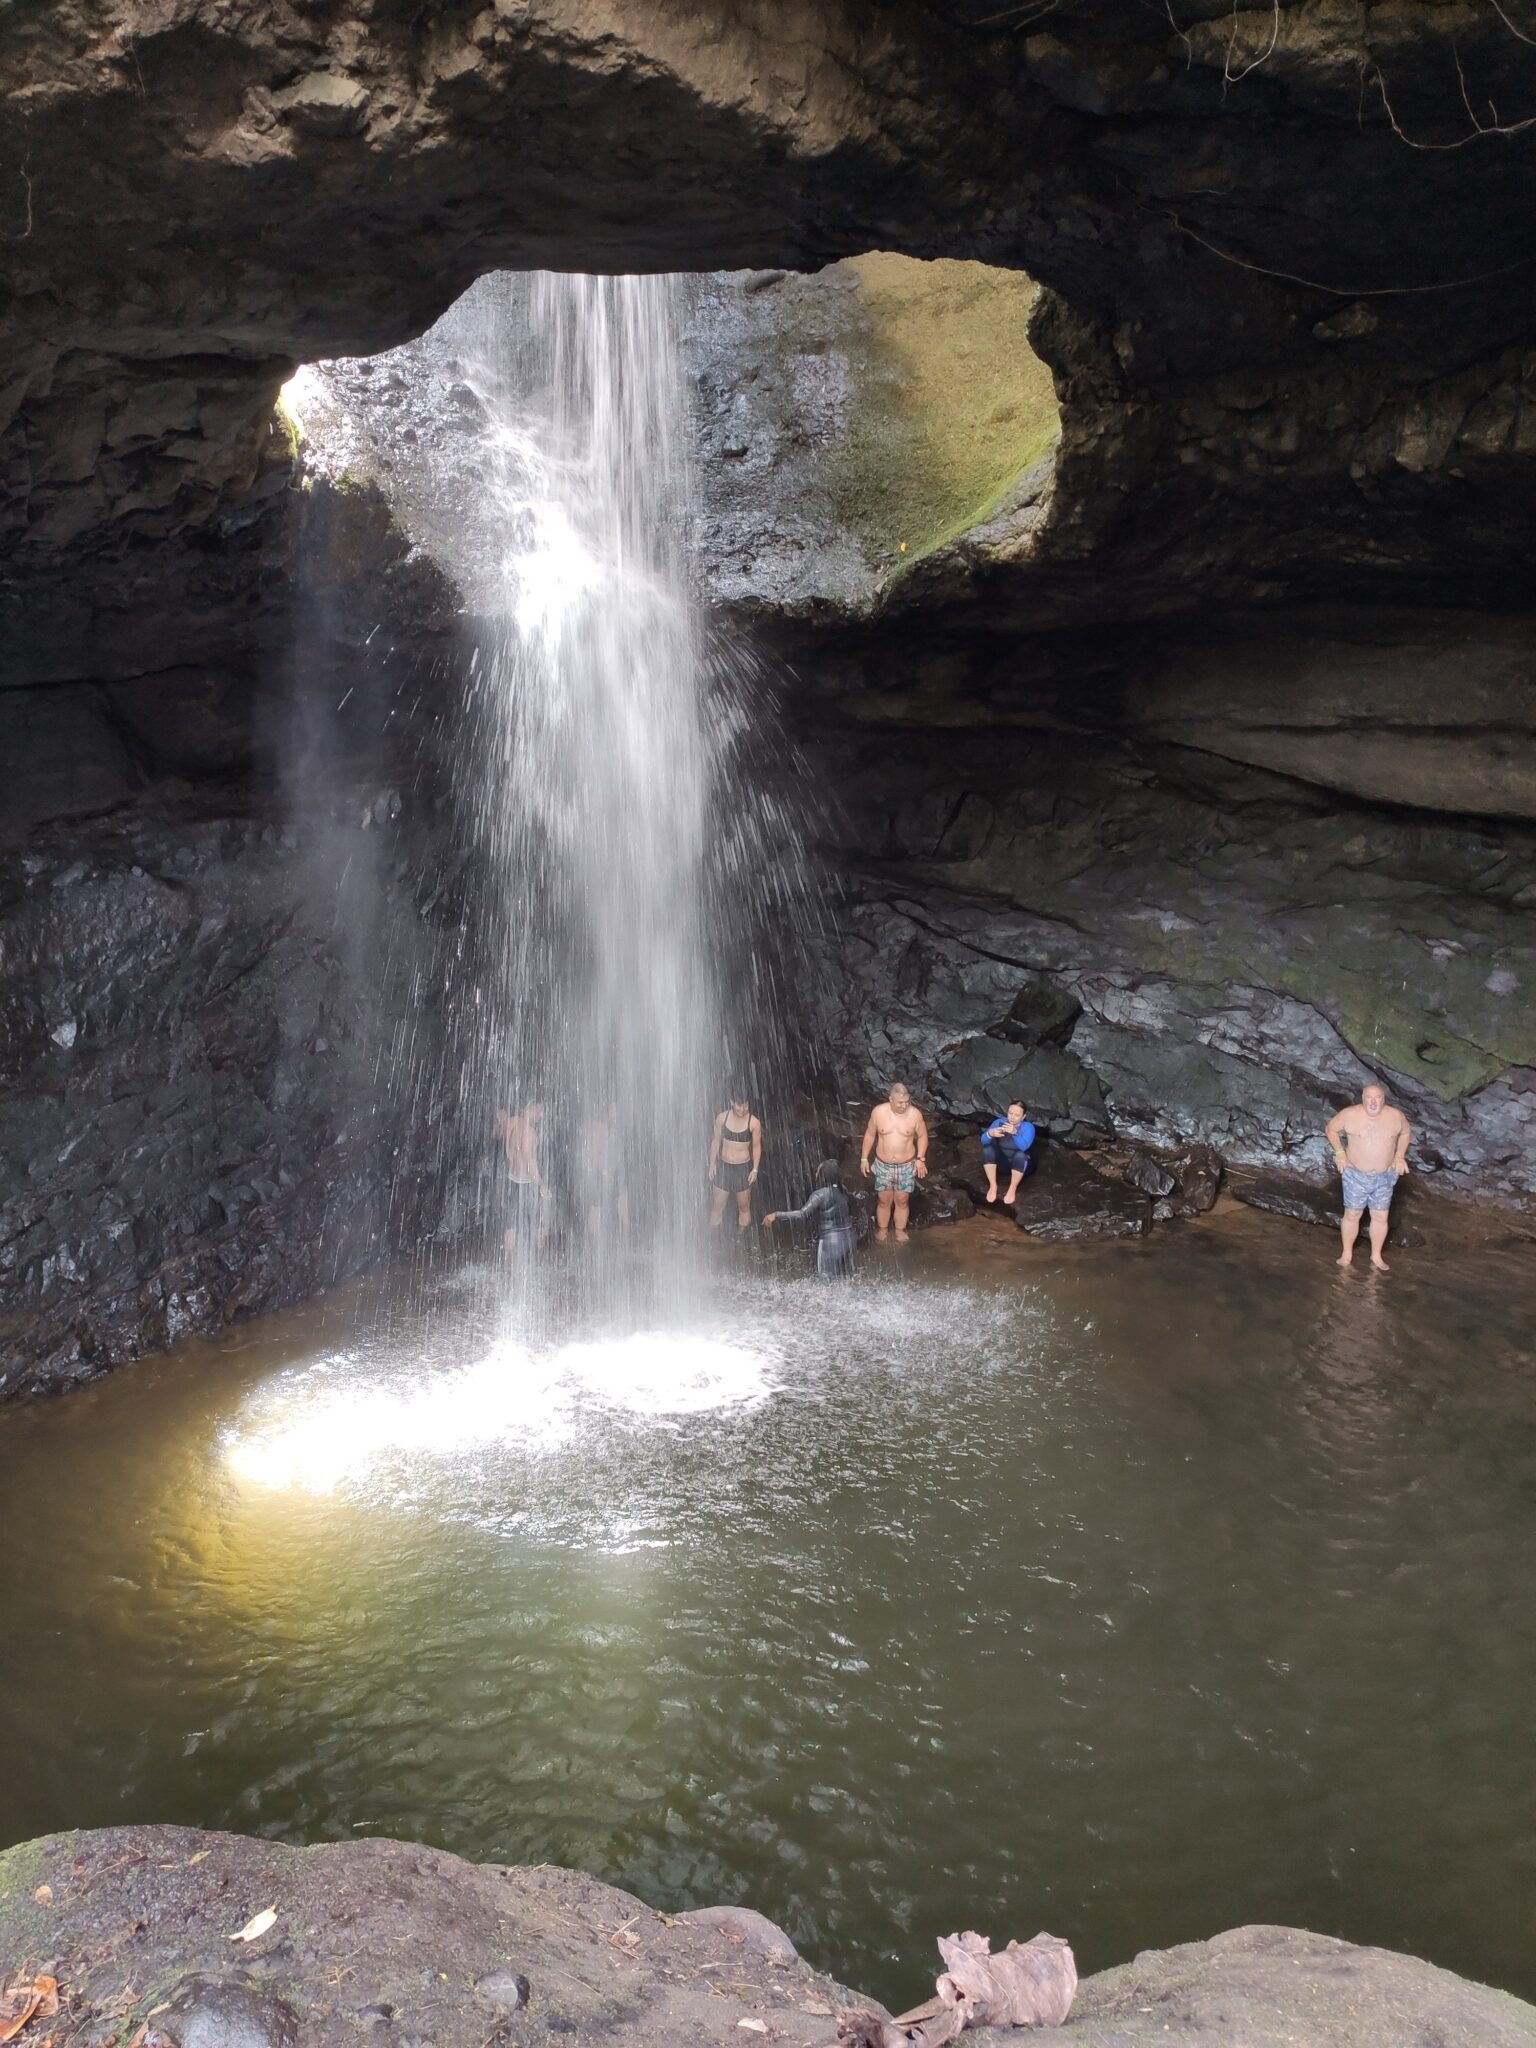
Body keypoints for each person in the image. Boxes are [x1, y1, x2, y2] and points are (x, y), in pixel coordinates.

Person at [1325, 1082, 1411, 1271]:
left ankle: (1376, 1256)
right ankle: (1346, 1254)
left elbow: (1405, 1133)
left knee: (1380, 1216)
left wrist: (1399, 1156)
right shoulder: (1350, 1114)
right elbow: (1331, 1129)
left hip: (1384, 1177)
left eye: (1377, 1098)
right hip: (1355, 1175)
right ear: (1362, 1099)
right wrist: (1340, 1153)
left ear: (1383, 1099)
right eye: (1369, 1098)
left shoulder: (1395, 1116)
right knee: (1352, 1214)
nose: (1373, 1102)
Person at [763, 1160, 857, 1279]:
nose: (815, 1174)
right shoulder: (843, 1189)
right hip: (849, 1238)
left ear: (823, 1176)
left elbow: (802, 1214)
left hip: (831, 1242)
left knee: (826, 1280)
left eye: (818, 1172)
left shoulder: (819, 1195)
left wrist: (776, 1215)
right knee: (844, 1277)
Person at [859, 1081, 928, 1240]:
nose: (904, 1106)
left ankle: (900, 1231)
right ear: (890, 1099)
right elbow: (870, 1135)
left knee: (902, 1199)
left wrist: (921, 1158)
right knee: (884, 1199)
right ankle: (882, 1230)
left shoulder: (915, 1114)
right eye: (900, 1103)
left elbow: (923, 1136)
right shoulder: (878, 1112)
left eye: (906, 1102)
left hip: (906, 1164)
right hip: (883, 1165)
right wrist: (864, 1158)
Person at [708, 1088, 762, 1233]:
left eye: (745, 1106)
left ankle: (741, 1240)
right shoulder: (722, 1118)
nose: (742, 1109)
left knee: (744, 1207)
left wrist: (755, 1169)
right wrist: (712, 1164)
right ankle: (715, 1239)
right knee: (717, 1205)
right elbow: (715, 1141)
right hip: (724, 1166)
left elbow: (756, 1147)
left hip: (742, 1168)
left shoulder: (754, 1123)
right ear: (732, 1103)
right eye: (739, 1106)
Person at [496, 1102, 548, 1252]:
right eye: (539, 1110)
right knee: (537, 1223)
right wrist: (541, 1184)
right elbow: (530, 1162)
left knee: (510, 1225)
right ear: (530, 1108)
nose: (541, 1115)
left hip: (511, 1180)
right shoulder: (530, 1133)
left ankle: (507, 1266)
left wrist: (500, 1119)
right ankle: (536, 1264)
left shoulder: (511, 1122)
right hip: (527, 1183)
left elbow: (503, 1143)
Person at [581, 1114, 628, 1239]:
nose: (616, 1112)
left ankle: (596, 1241)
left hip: (601, 1174)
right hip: (598, 1175)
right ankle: (589, 1243)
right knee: (596, 1208)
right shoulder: (600, 1129)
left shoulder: (603, 1128)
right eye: (613, 1109)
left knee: (603, 1206)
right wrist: (604, 1171)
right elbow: (596, 1154)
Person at [980, 1101, 1036, 1205]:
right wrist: (989, 1134)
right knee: (987, 1149)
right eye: (1010, 1113)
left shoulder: (1028, 1127)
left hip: (1022, 1165)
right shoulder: (999, 1122)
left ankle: (1012, 1188)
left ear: (1023, 1117)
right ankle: (993, 1185)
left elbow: (1023, 1147)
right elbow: (983, 1141)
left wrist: (1015, 1133)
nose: (1012, 1117)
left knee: (1020, 1155)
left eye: (1017, 1115)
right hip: (1004, 1163)